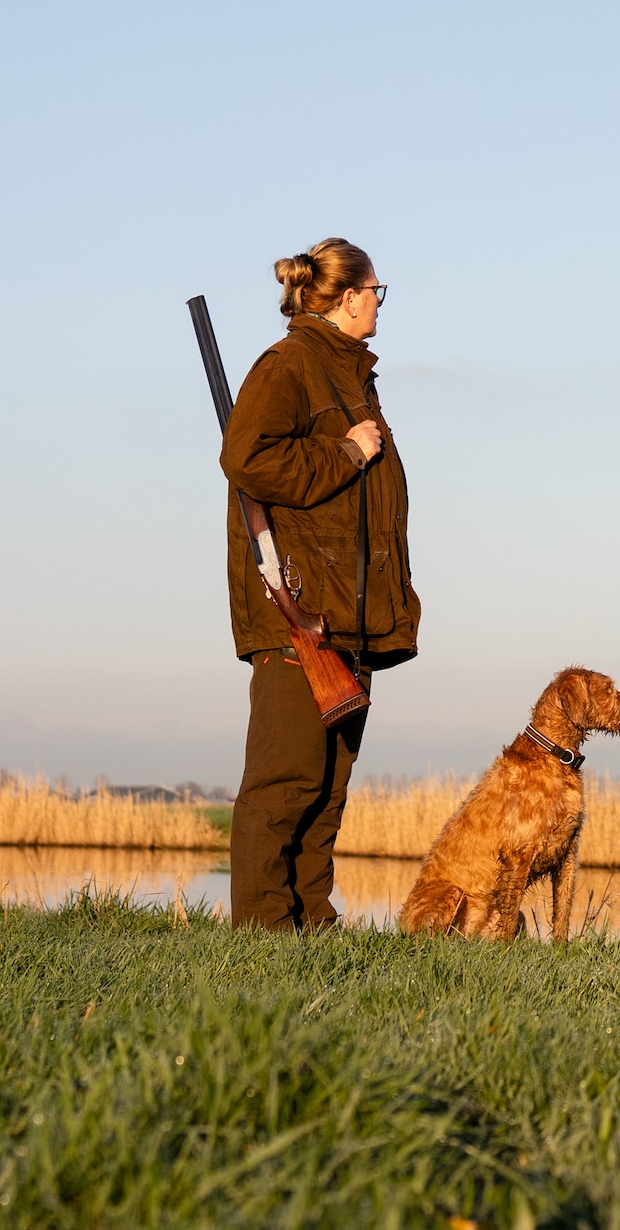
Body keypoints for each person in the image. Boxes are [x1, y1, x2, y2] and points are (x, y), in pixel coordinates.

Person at [218, 237, 420, 929]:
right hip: (299, 609)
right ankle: (262, 938)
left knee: (327, 786)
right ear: (347, 296)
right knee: (284, 781)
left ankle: (313, 930)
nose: (378, 305)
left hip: (348, 616)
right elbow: (247, 457)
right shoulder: (290, 365)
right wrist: (345, 451)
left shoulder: (346, 373)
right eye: (375, 292)